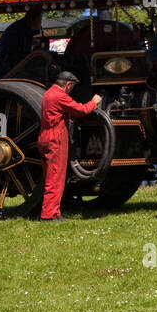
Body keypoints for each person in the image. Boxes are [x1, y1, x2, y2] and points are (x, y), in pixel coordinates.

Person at [38, 71, 101, 221]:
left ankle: (53, 212)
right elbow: (81, 110)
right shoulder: (60, 96)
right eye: (72, 87)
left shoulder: (48, 94)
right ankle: (49, 215)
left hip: (44, 138)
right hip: (56, 141)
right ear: (67, 84)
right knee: (55, 179)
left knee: (50, 177)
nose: (71, 90)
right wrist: (94, 101)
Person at [0, 9, 43, 78]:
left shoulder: (21, 28)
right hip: (6, 67)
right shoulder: (19, 30)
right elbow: (20, 52)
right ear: (33, 20)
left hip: (6, 65)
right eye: (39, 20)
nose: (40, 23)